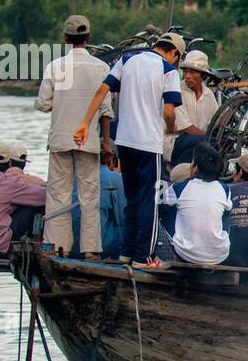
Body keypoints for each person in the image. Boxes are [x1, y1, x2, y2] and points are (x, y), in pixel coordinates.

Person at [73, 32, 186, 268]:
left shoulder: (126, 60)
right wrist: (172, 128)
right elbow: (168, 111)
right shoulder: (169, 71)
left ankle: (126, 253)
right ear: (174, 52)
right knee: (150, 201)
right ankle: (143, 257)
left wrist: (84, 123)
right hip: (148, 144)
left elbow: (102, 91)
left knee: (132, 200)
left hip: (124, 141)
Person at [35, 14, 113, 260]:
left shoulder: (55, 67)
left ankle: (60, 248)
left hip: (60, 140)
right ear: (88, 38)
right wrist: (107, 143)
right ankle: (90, 250)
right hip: (89, 141)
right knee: (89, 196)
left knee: (58, 194)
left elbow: (44, 104)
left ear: (66, 38)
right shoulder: (102, 68)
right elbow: (106, 111)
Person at [164, 143, 230, 266]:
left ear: (195, 168)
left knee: (165, 210)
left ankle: (178, 241)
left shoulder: (179, 188)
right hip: (221, 255)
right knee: (226, 212)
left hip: (186, 254)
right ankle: (220, 240)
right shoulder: (224, 189)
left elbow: (164, 208)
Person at [164, 49, 220, 169]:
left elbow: (216, 119)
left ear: (203, 75)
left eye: (193, 72)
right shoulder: (178, 90)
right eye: (186, 72)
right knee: (205, 142)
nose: (188, 76)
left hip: (199, 140)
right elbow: (185, 127)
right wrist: (208, 138)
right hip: (176, 141)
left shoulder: (208, 94)